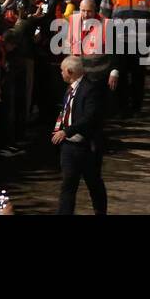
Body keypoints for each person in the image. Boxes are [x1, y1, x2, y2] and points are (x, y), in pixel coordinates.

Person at [52, 55, 107, 215]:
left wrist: (66, 131)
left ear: (70, 72)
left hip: (86, 147)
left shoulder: (90, 89)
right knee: (68, 186)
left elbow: (89, 118)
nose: (61, 73)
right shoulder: (70, 88)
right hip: (69, 146)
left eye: (62, 71)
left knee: (94, 183)